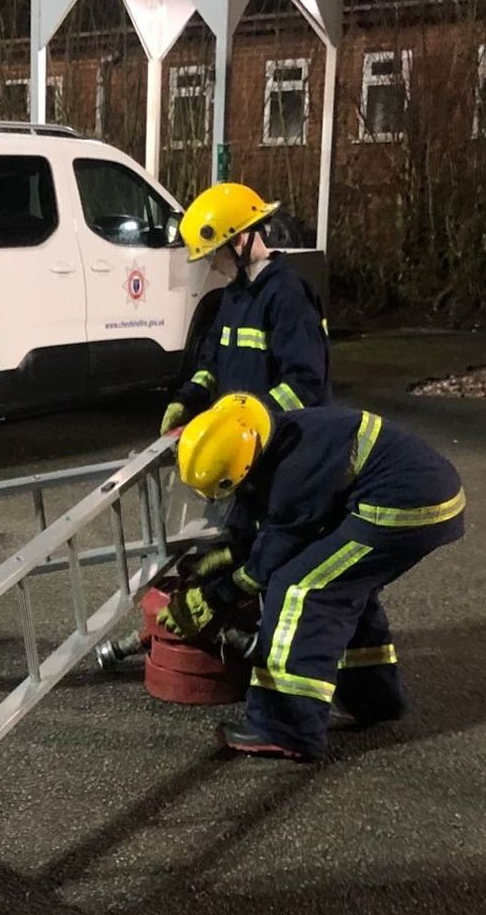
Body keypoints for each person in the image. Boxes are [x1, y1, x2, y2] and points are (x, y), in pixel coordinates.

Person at [158, 393, 466, 762]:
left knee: (302, 588)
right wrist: (225, 555)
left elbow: (270, 555)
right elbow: (256, 511)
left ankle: (286, 728)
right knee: (344, 586)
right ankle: (372, 699)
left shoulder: (293, 470)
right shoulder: (267, 436)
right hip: (415, 490)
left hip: (405, 508)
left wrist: (215, 597)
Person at [160, 182, 333, 434]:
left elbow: (305, 384)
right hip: (249, 441)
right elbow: (212, 365)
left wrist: (250, 420)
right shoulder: (235, 295)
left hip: (288, 442)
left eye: (214, 254)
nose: (213, 265)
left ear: (239, 239)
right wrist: (187, 399)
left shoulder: (288, 294)